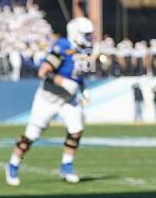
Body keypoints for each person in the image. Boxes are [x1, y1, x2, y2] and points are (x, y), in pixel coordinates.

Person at [7, 17, 92, 186]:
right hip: (48, 97)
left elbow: (77, 74)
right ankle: (13, 164)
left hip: (68, 98)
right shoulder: (63, 46)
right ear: (76, 33)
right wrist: (62, 81)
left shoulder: (85, 50)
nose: (89, 38)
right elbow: (43, 72)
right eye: (86, 34)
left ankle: (66, 166)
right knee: (32, 134)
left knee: (76, 129)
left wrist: (82, 89)